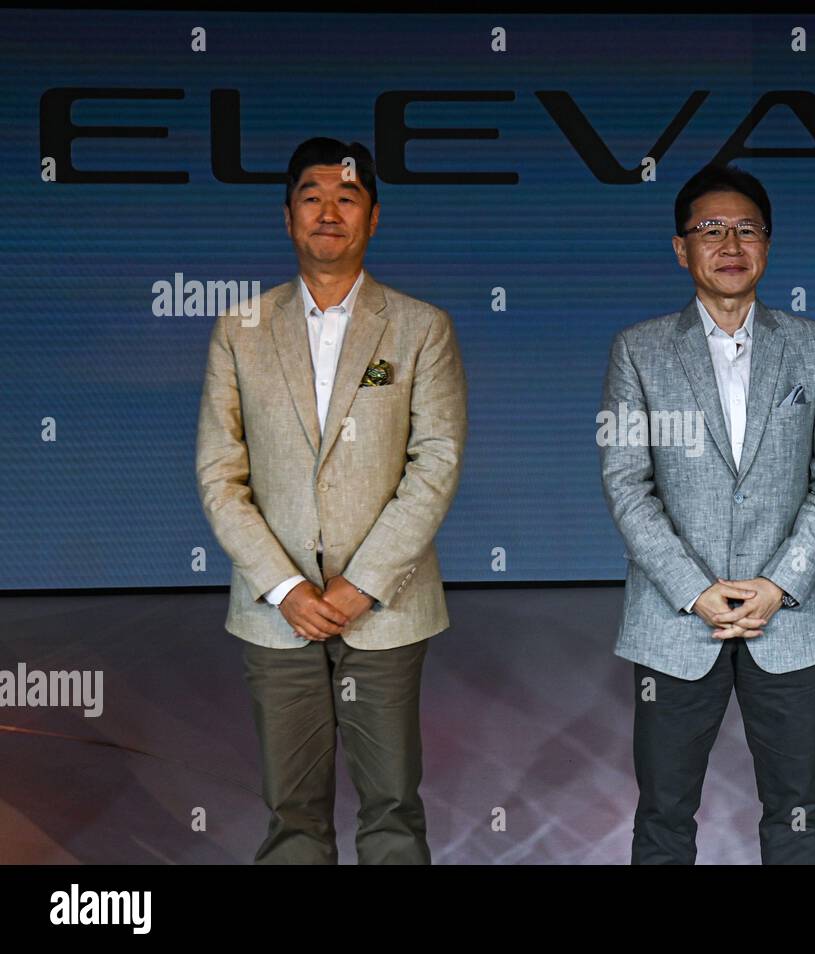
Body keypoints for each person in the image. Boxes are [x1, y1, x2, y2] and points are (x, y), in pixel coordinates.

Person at [195, 137, 467, 863]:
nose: (328, 211)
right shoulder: (239, 328)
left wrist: (362, 585)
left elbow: (435, 465)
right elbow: (220, 474)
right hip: (275, 613)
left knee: (393, 811)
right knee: (292, 812)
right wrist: (284, 588)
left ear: (373, 218)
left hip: (387, 608)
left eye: (347, 197)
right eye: (312, 197)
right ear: (288, 217)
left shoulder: (421, 328)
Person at [598, 163, 815, 864]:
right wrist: (696, 590)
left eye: (746, 229)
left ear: (767, 246)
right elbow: (626, 482)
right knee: (662, 814)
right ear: (681, 248)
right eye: (710, 230)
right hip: (675, 619)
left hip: (792, 618)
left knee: (797, 812)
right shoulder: (638, 350)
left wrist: (778, 584)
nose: (730, 243)